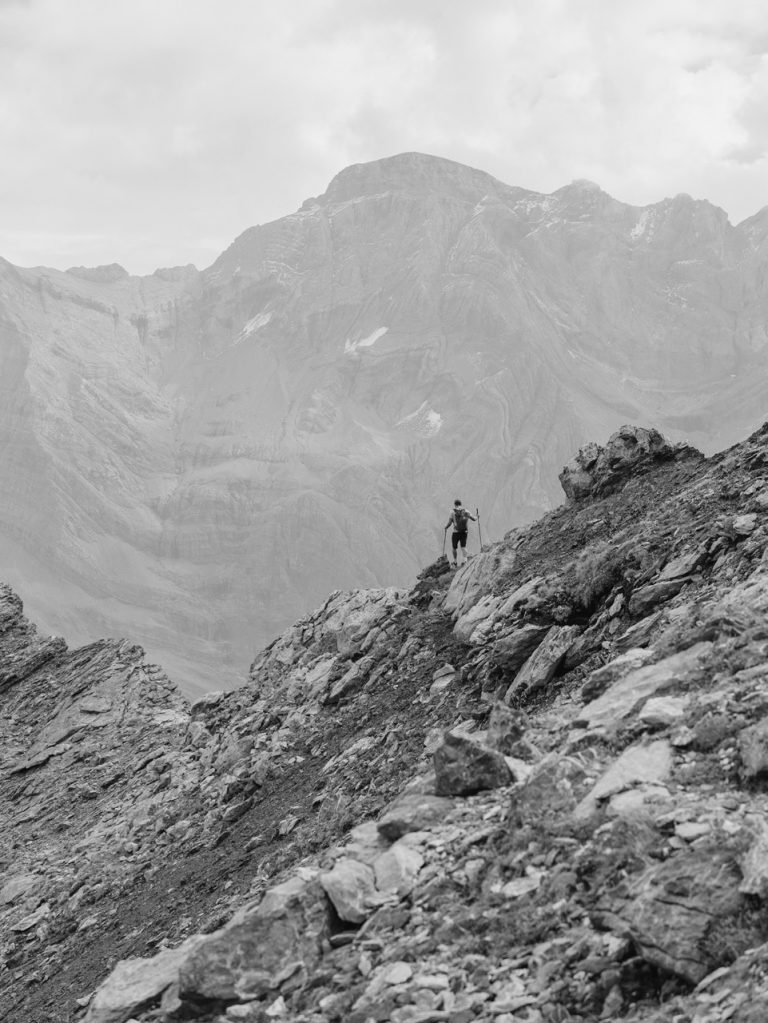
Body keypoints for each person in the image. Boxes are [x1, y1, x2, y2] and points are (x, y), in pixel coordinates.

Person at [444, 499, 476, 567]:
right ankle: (465, 560)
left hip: (456, 532)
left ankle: (455, 562)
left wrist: (446, 527)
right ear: (461, 504)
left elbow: (450, 523)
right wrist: (477, 516)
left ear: (455, 504)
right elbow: (474, 519)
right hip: (464, 532)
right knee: (463, 547)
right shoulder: (466, 511)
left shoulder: (452, 512)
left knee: (454, 548)